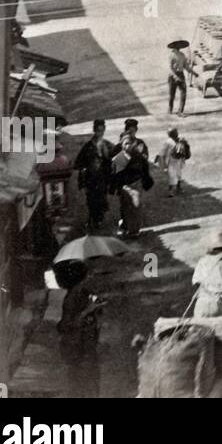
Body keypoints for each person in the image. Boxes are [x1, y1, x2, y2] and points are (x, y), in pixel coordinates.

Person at [56, 260, 106, 398]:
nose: (90, 277)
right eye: (87, 275)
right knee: (81, 384)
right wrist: (88, 310)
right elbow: (66, 325)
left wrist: (97, 309)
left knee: (91, 383)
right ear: (81, 278)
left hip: (88, 346)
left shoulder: (84, 293)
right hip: (77, 348)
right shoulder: (71, 298)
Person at [75, 120, 114, 233]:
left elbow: (112, 160)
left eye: (101, 131)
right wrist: (83, 171)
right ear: (94, 130)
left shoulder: (107, 145)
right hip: (90, 178)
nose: (99, 133)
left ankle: (98, 219)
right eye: (97, 130)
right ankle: (93, 218)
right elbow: (78, 163)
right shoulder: (88, 146)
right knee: (91, 199)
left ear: (104, 130)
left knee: (101, 198)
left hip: (102, 178)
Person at [110, 134, 153, 238]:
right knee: (125, 208)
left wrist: (146, 181)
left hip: (136, 185)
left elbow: (145, 169)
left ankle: (134, 231)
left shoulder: (138, 156)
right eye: (125, 144)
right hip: (125, 187)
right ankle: (126, 228)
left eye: (130, 143)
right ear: (122, 145)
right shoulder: (118, 159)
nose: (128, 146)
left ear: (133, 144)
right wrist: (114, 188)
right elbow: (113, 175)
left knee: (136, 207)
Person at [156, 127, 191, 196]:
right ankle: (171, 191)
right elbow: (162, 151)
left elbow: (185, 148)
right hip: (171, 162)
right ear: (170, 134)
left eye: (176, 132)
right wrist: (159, 159)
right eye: (175, 132)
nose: (177, 133)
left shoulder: (180, 140)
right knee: (172, 176)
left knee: (179, 175)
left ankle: (178, 188)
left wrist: (185, 145)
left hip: (178, 160)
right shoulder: (168, 142)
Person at [167, 45, 192, 115]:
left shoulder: (182, 55)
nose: (178, 47)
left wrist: (192, 72)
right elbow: (170, 68)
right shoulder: (171, 55)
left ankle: (180, 111)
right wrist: (175, 76)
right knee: (172, 94)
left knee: (183, 93)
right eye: (176, 46)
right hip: (172, 75)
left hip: (181, 74)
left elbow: (185, 66)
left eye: (178, 46)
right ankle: (170, 109)